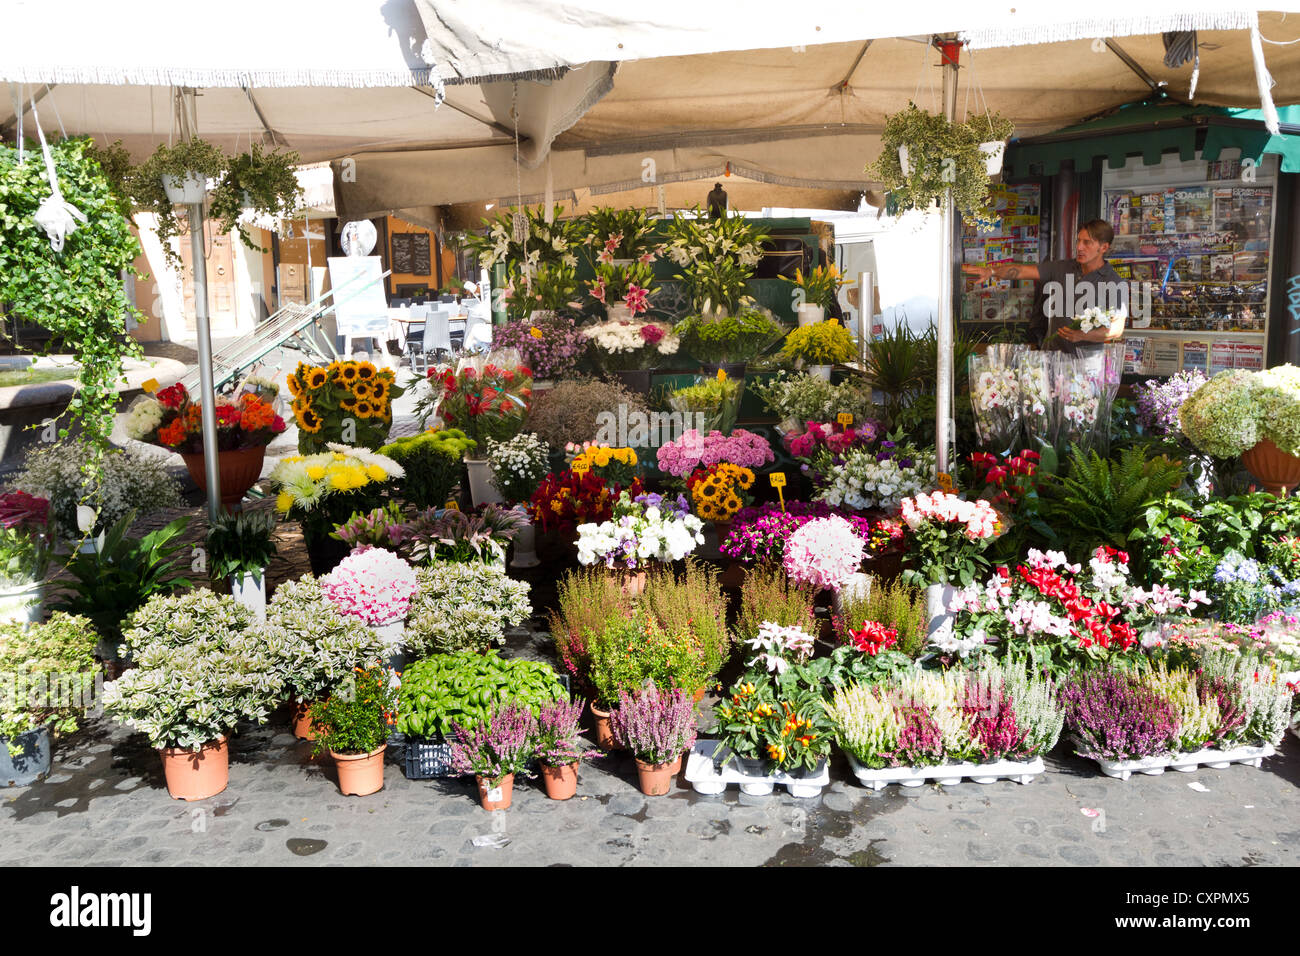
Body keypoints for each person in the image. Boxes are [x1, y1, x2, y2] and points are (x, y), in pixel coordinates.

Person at [962, 219, 1128, 352]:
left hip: (1087, 364)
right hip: (1052, 357)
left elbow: (1116, 329)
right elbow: (1021, 271)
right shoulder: (1062, 267)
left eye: (1087, 242)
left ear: (1103, 247)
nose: (1079, 247)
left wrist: (1082, 335)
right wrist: (991, 271)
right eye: (1078, 241)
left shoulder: (1114, 282)